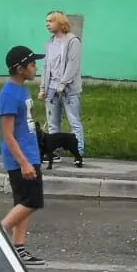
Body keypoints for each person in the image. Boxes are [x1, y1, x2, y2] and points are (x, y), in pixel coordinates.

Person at [0, 46, 46, 267]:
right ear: (20, 68)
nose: (35, 67)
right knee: (32, 200)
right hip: (21, 158)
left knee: (23, 202)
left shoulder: (22, 90)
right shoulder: (9, 94)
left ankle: (19, 249)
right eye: (32, 64)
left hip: (30, 154)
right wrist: (24, 162)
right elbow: (7, 134)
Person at [39, 9, 85, 160]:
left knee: (74, 121)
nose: (47, 24)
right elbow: (46, 67)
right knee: (53, 123)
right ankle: (54, 152)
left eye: (50, 21)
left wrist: (63, 83)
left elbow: (73, 64)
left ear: (60, 22)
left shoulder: (73, 41)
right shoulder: (49, 43)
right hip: (52, 88)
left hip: (69, 90)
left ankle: (78, 153)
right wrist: (43, 88)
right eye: (46, 22)